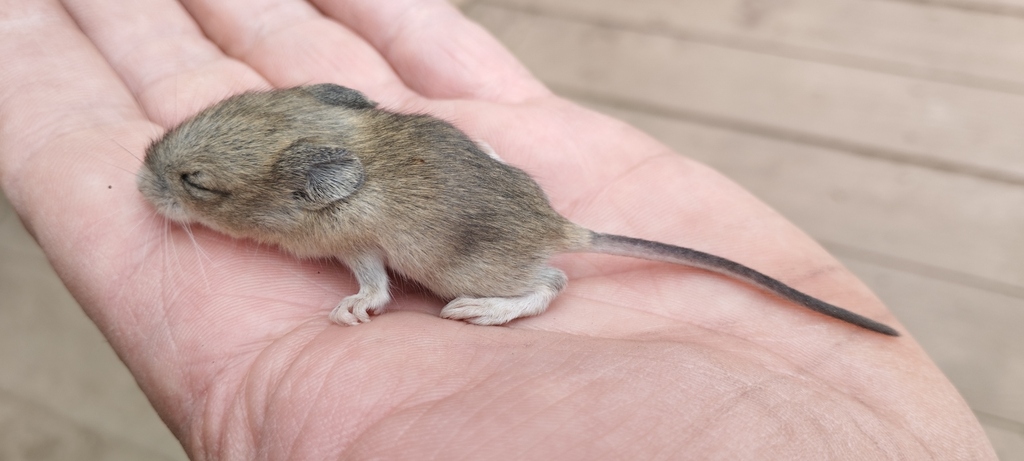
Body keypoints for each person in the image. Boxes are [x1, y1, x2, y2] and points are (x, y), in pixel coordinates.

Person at [0, 0, 995, 459]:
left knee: (484, 261)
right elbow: (359, 248)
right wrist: (371, 289)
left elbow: (358, 234)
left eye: (195, 184)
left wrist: (513, 285)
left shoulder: (318, 198)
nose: (166, 192)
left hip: (487, 235)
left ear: (309, 184)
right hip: (456, 199)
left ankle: (536, 286)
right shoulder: (329, 163)